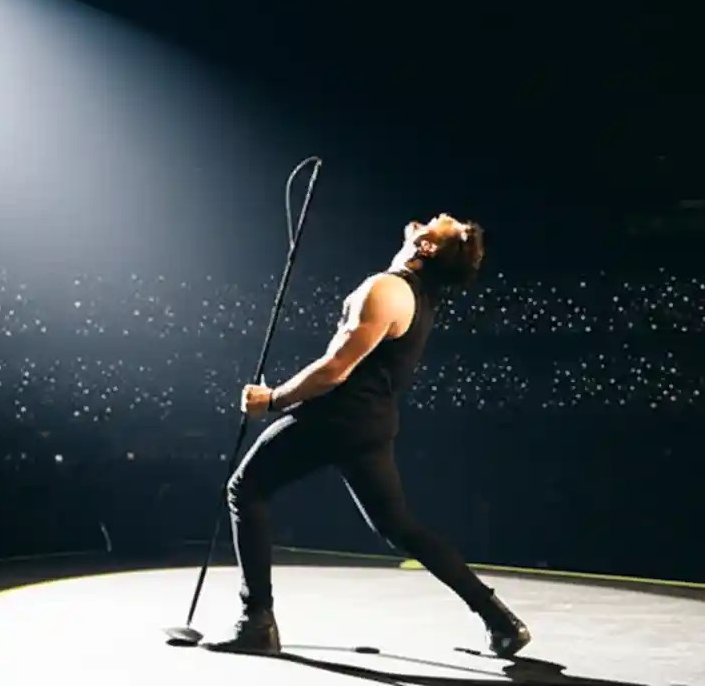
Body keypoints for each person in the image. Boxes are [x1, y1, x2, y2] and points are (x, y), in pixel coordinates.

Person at [202, 213, 530, 657]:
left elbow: (336, 369)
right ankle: (500, 620)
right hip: (371, 423)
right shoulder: (417, 294)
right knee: (399, 527)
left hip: (335, 418)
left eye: (440, 223)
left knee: (246, 488)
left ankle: (256, 621)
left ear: (427, 248)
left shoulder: (387, 289)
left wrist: (273, 399)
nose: (431, 217)